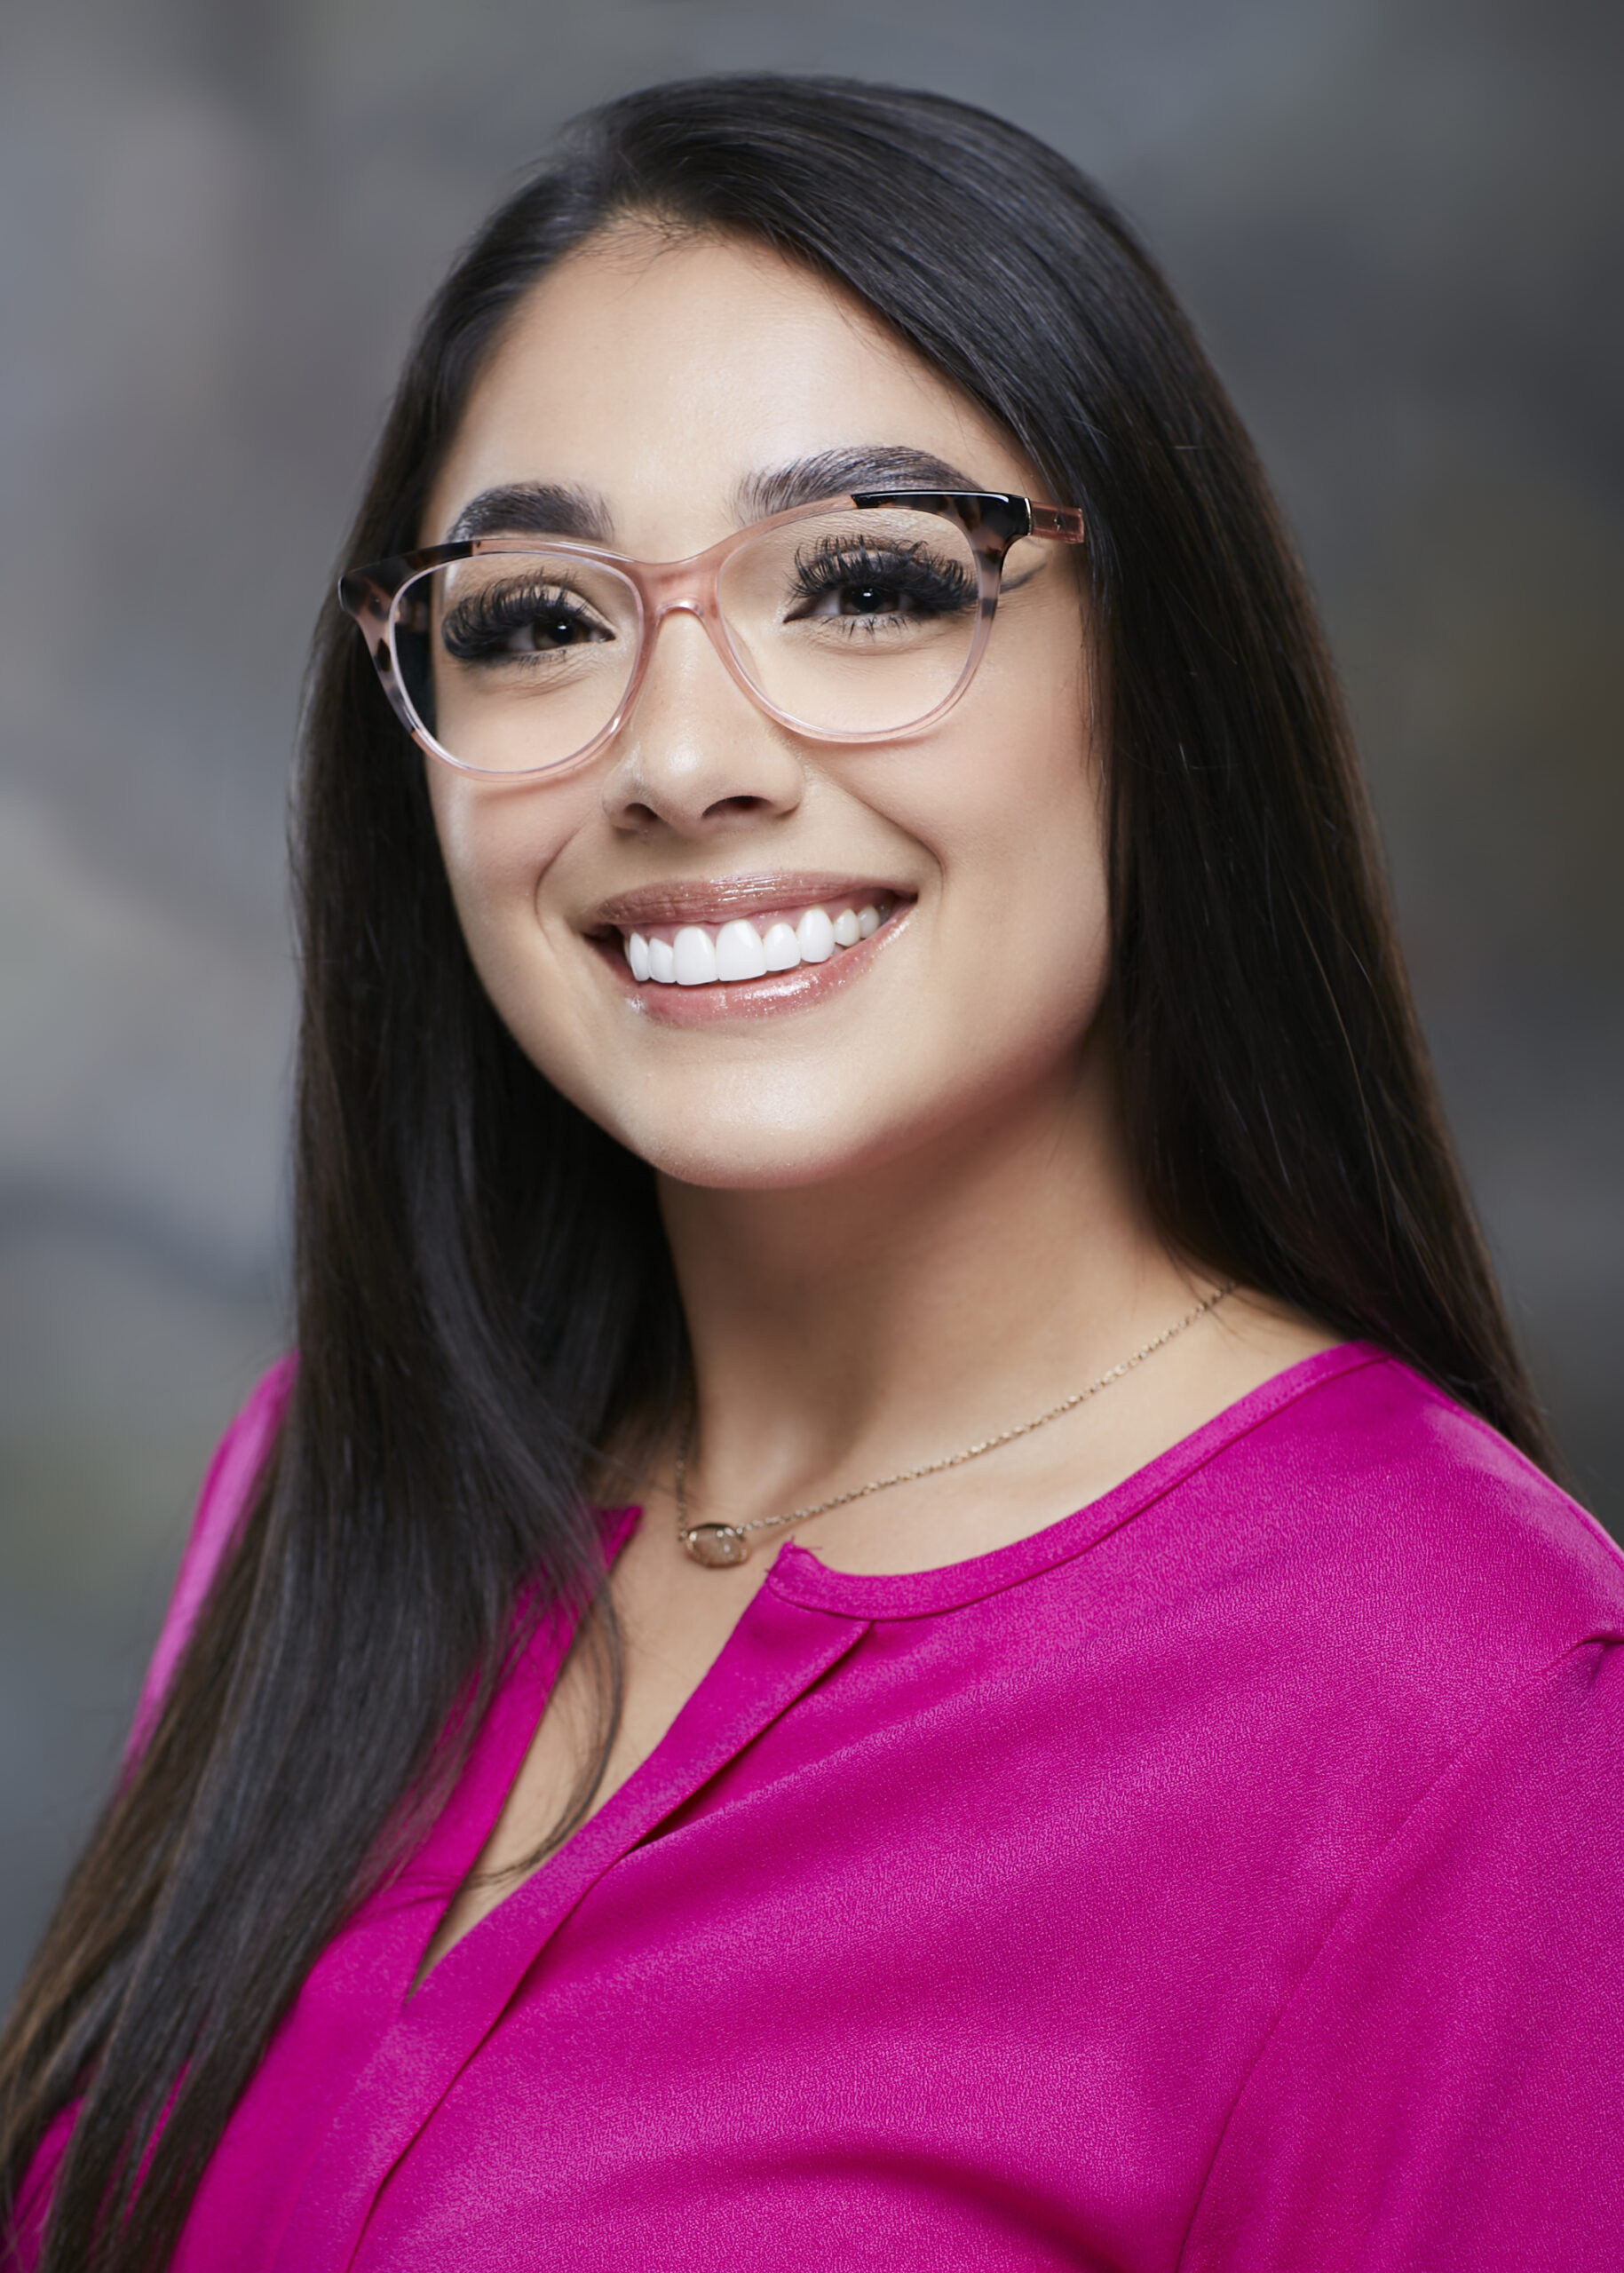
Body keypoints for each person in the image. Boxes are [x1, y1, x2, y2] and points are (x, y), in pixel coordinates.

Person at [4, 73, 1621, 2273]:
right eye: (538, 619)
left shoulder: (1469, 1709)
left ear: (1158, 677)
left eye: (864, 583)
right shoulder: (332, 1488)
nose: (681, 758)